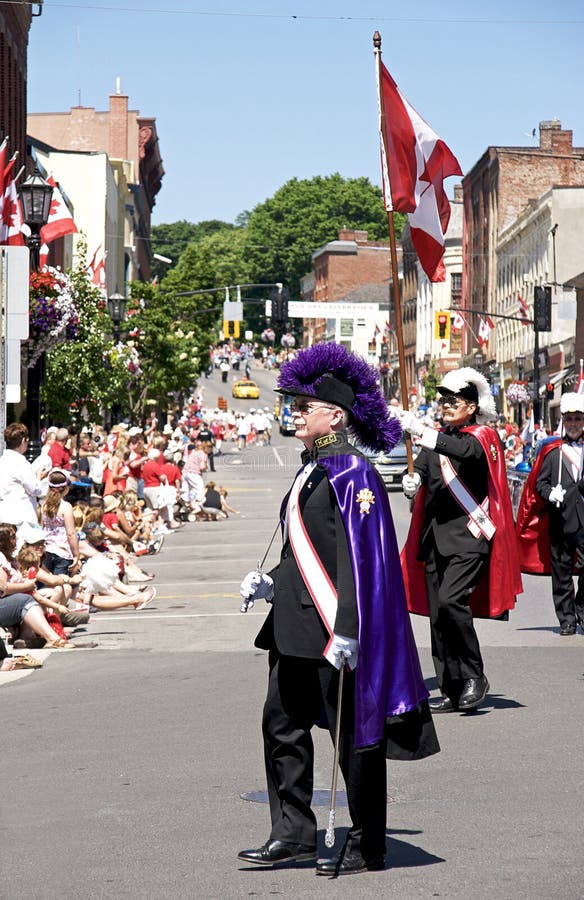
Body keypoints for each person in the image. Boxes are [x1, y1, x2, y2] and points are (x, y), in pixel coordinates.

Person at [237, 343, 439, 876]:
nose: (294, 413)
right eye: (295, 405)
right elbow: (307, 549)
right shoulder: (313, 467)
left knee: (355, 738)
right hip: (294, 626)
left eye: (304, 406)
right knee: (281, 727)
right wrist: (272, 584)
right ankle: (294, 833)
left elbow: (359, 561)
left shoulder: (353, 473)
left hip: (333, 631)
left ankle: (369, 841)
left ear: (335, 415)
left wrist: (348, 628)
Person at [399, 368, 523, 714]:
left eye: (453, 401)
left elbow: (464, 452)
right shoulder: (438, 437)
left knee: (452, 601)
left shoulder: (481, 436)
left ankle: (474, 675)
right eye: (443, 401)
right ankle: (451, 688)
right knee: (438, 616)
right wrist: (412, 481)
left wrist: (421, 431)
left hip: (470, 536)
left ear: (471, 406)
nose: (446, 406)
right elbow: (423, 466)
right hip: (435, 538)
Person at [515, 392, 584, 635]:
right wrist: (549, 493)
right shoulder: (553, 451)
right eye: (570, 419)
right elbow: (538, 484)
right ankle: (566, 619)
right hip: (560, 520)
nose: (574, 423)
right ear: (563, 421)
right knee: (562, 572)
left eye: (578, 419)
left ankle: (582, 610)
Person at [0, 423, 49, 527]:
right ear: (23, 441)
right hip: (21, 516)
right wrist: (39, 477)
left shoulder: (2, 461)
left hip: (4, 514)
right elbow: (35, 489)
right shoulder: (21, 463)